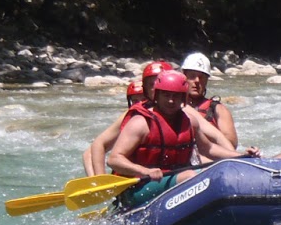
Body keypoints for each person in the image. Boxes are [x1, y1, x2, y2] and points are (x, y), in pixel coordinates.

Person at [106, 70, 252, 206]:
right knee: (189, 175)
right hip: (139, 188)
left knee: (215, 172)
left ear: (184, 98)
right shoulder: (141, 123)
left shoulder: (190, 121)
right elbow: (114, 160)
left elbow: (209, 148)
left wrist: (242, 156)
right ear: (157, 96)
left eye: (176, 96)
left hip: (174, 181)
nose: (171, 101)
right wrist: (145, 171)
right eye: (166, 95)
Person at [82, 60, 174, 177]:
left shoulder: (184, 112)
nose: (155, 89)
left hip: (166, 176)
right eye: (151, 85)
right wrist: (100, 180)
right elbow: (98, 144)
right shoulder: (136, 114)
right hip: (137, 179)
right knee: (88, 154)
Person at [179, 52, 237, 148]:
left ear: (206, 81)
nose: (197, 81)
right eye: (192, 76)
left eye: (201, 77)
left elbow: (231, 144)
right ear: (184, 77)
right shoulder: (171, 105)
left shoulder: (217, 109)